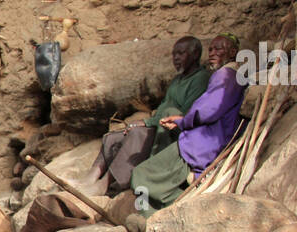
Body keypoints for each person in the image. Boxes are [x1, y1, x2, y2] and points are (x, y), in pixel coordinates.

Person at [76, 37, 210, 197]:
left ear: (195, 54)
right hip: (159, 123)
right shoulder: (177, 80)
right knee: (114, 137)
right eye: (174, 54)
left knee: (137, 134)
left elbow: (184, 114)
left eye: (181, 54)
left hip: (173, 131)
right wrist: (147, 121)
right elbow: (163, 106)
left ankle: (105, 184)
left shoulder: (201, 79)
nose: (176, 58)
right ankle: (92, 176)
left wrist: (146, 122)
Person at [131, 34, 246, 213]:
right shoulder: (231, 76)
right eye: (211, 49)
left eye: (219, 49)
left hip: (200, 145)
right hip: (204, 141)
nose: (213, 53)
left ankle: (152, 216)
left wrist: (183, 121)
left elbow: (208, 110)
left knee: (140, 175)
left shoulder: (226, 76)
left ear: (232, 52)